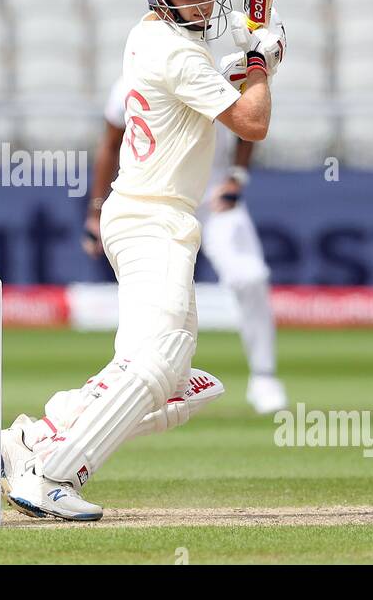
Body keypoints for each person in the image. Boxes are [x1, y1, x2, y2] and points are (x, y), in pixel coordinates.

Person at [2, 0, 285, 520]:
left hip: (152, 216)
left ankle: (39, 434)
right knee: (154, 364)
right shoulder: (177, 53)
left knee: (177, 379)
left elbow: (213, 74)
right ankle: (53, 473)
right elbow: (252, 122)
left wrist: (256, 52)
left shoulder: (154, 34)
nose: (204, 3)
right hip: (151, 220)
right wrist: (261, 60)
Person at [84, 86, 287, 414]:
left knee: (249, 277)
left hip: (212, 195)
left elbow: (249, 119)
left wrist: (236, 176)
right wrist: (95, 211)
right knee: (159, 298)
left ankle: (264, 377)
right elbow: (110, 143)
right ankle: (142, 382)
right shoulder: (129, 79)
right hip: (160, 199)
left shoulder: (206, 68)